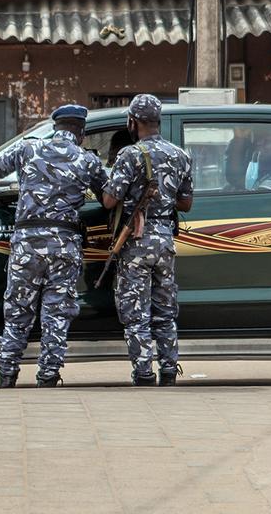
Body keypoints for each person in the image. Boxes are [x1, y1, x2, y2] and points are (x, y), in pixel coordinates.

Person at [0, 104, 107, 387]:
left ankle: (7, 374)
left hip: (27, 244)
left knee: (17, 311)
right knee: (56, 313)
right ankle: (49, 376)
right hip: (65, 245)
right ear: (82, 132)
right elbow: (109, 198)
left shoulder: (28, 149)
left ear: (55, 127)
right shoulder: (87, 161)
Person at [102, 94, 194, 386]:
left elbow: (108, 200)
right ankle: (169, 370)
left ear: (133, 121)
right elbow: (186, 203)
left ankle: (143, 373)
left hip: (137, 243)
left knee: (136, 312)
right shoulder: (181, 155)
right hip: (166, 240)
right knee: (165, 311)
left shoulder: (130, 155)